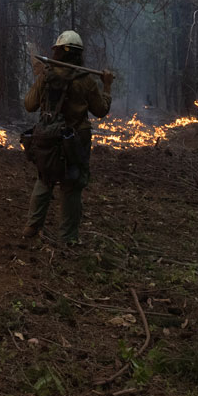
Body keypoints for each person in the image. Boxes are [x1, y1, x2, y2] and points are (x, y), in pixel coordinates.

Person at [22, 30, 114, 244]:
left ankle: (31, 227)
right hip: (75, 141)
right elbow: (101, 110)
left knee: (45, 179)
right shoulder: (86, 81)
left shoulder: (47, 76)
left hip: (47, 138)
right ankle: (67, 238)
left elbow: (29, 104)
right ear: (78, 54)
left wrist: (40, 82)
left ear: (57, 51)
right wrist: (107, 86)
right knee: (71, 185)